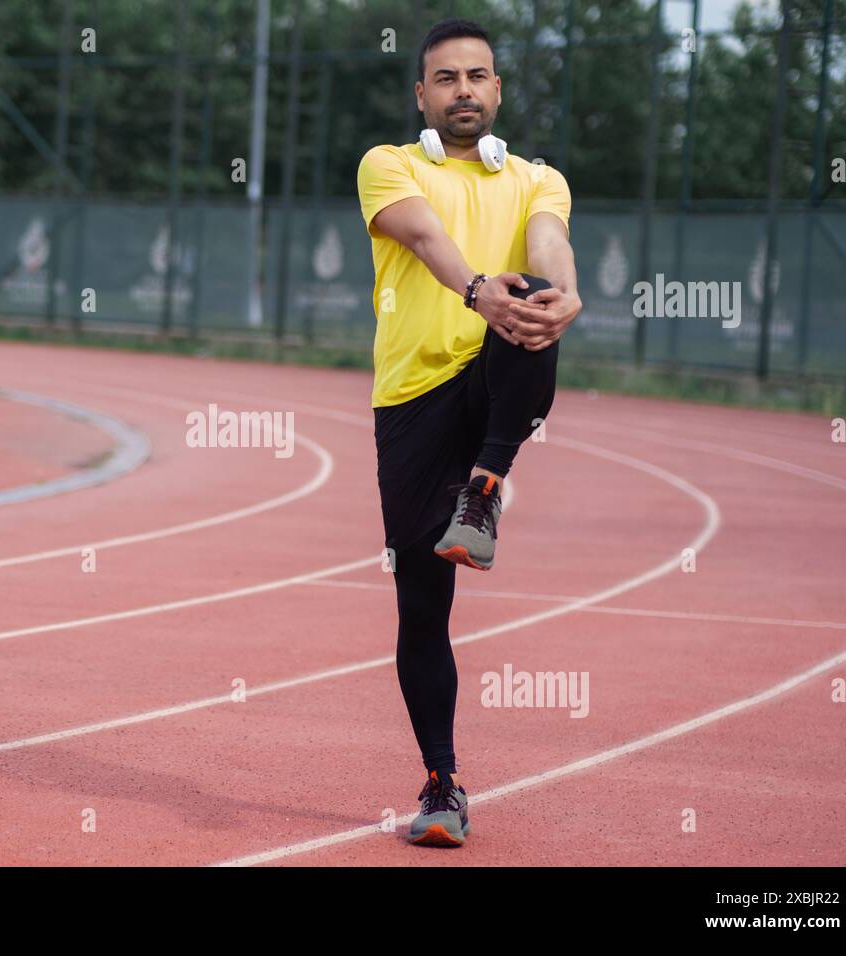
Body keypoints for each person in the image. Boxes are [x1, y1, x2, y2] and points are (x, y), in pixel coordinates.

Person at [356, 17, 583, 847]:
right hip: (411, 398)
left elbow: (551, 242)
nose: (463, 90)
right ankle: (442, 784)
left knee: (533, 297)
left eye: (477, 76)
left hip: (492, 385)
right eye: (445, 78)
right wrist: (476, 287)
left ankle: (485, 488)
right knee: (423, 605)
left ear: (498, 90)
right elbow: (423, 235)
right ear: (423, 95)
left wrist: (566, 292)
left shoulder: (536, 178)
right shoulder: (389, 166)